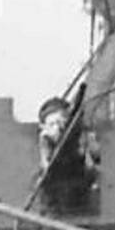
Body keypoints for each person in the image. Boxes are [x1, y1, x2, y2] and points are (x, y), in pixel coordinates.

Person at [36, 85, 96, 213]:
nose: (57, 128)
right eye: (52, 124)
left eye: (61, 123)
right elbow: (46, 169)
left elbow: (91, 167)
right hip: (52, 203)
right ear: (43, 127)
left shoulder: (81, 140)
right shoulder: (44, 142)